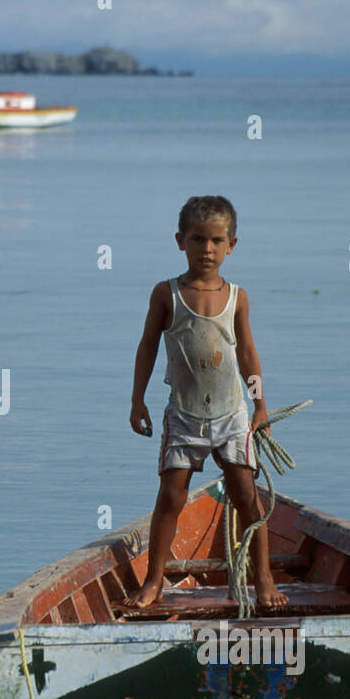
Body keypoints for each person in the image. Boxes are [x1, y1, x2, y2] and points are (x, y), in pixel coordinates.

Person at [125, 195, 287, 611]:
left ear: (232, 244)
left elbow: (248, 354)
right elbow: (146, 345)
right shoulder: (167, 294)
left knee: (246, 493)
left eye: (217, 240)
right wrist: (137, 399)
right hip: (184, 415)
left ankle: (264, 579)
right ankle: (154, 581)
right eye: (198, 239)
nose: (207, 249)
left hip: (232, 413)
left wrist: (260, 406)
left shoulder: (237, 297)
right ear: (180, 241)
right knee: (171, 496)